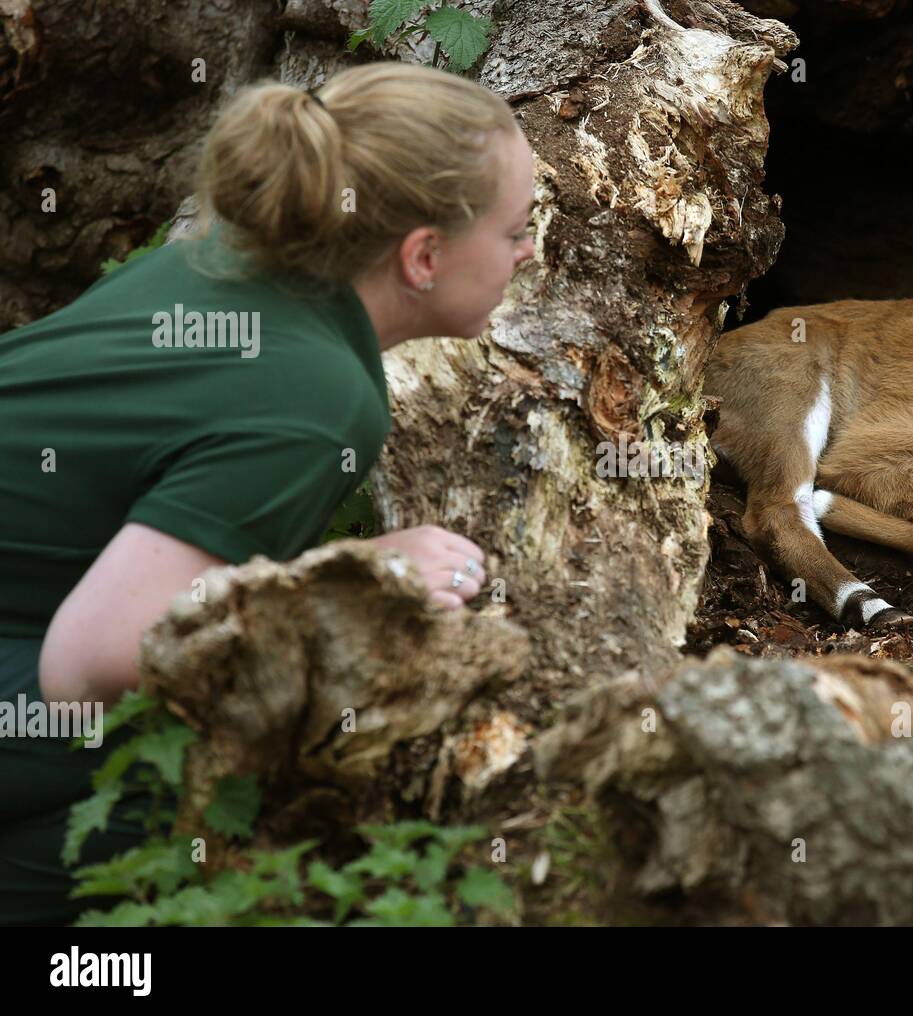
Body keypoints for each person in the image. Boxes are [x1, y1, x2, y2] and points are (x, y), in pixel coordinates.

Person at [0, 61, 537, 925]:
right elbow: (85, 669)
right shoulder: (316, 395)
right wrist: (336, 584)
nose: (529, 251)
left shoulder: (217, 269)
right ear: (425, 255)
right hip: (49, 661)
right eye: (517, 228)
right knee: (198, 754)